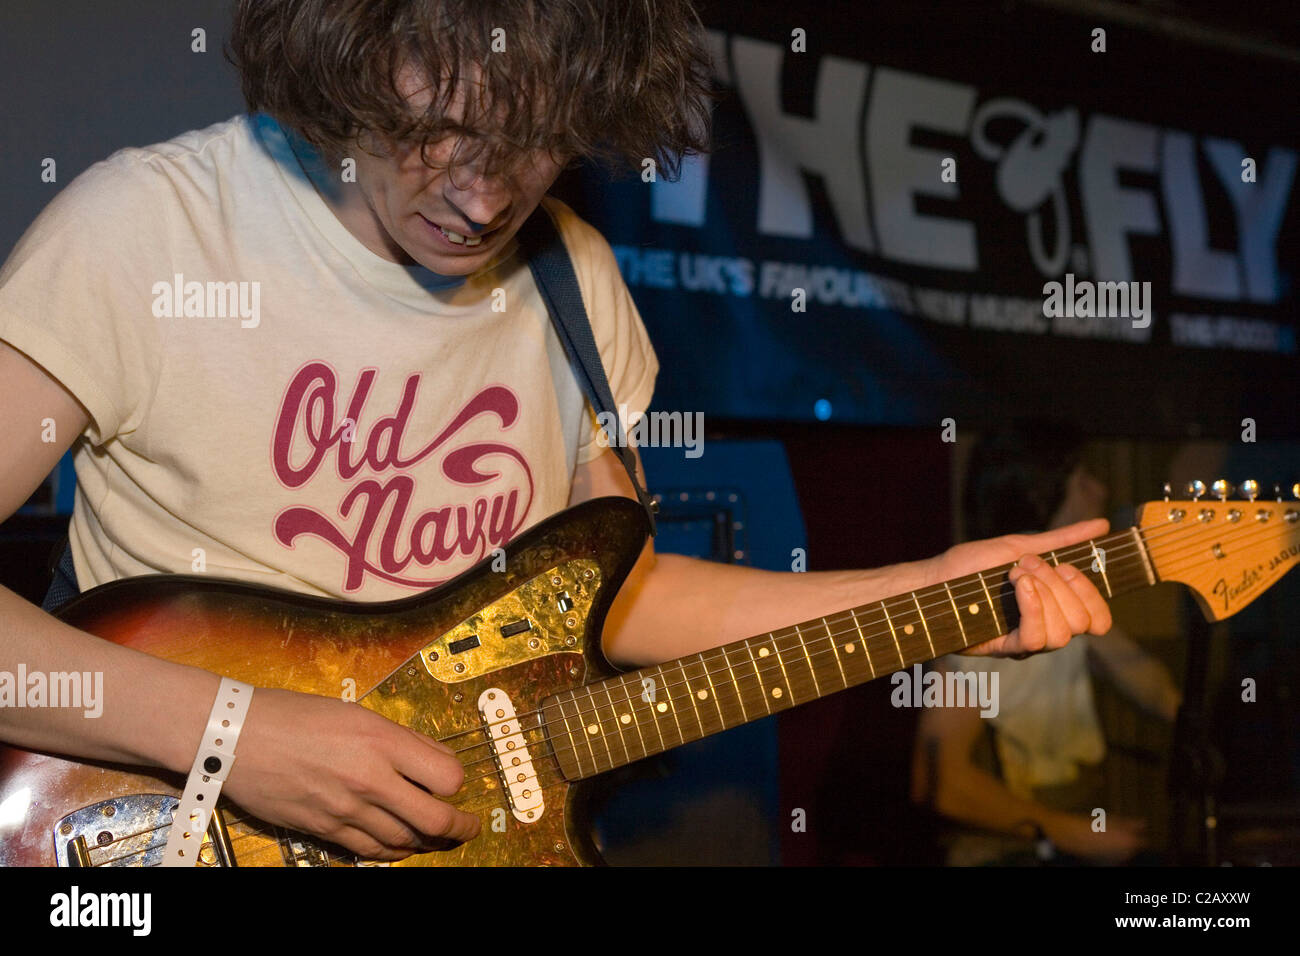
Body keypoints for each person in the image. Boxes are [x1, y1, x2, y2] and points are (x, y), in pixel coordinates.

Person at [0, 0, 1113, 863]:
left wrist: (933, 584)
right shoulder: (149, 230)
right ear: (353, 46)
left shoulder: (576, 282)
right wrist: (236, 730)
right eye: (441, 129)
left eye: (535, 143)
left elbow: (617, 598)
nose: (483, 197)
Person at [910, 423, 1180, 864]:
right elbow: (939, 780)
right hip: (1003, 854)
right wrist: (1077, 835)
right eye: (1083, 480)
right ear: (1046, 495)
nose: (1101, 489)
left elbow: (1152, 689)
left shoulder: (1053, 592)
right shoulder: (983, 619)